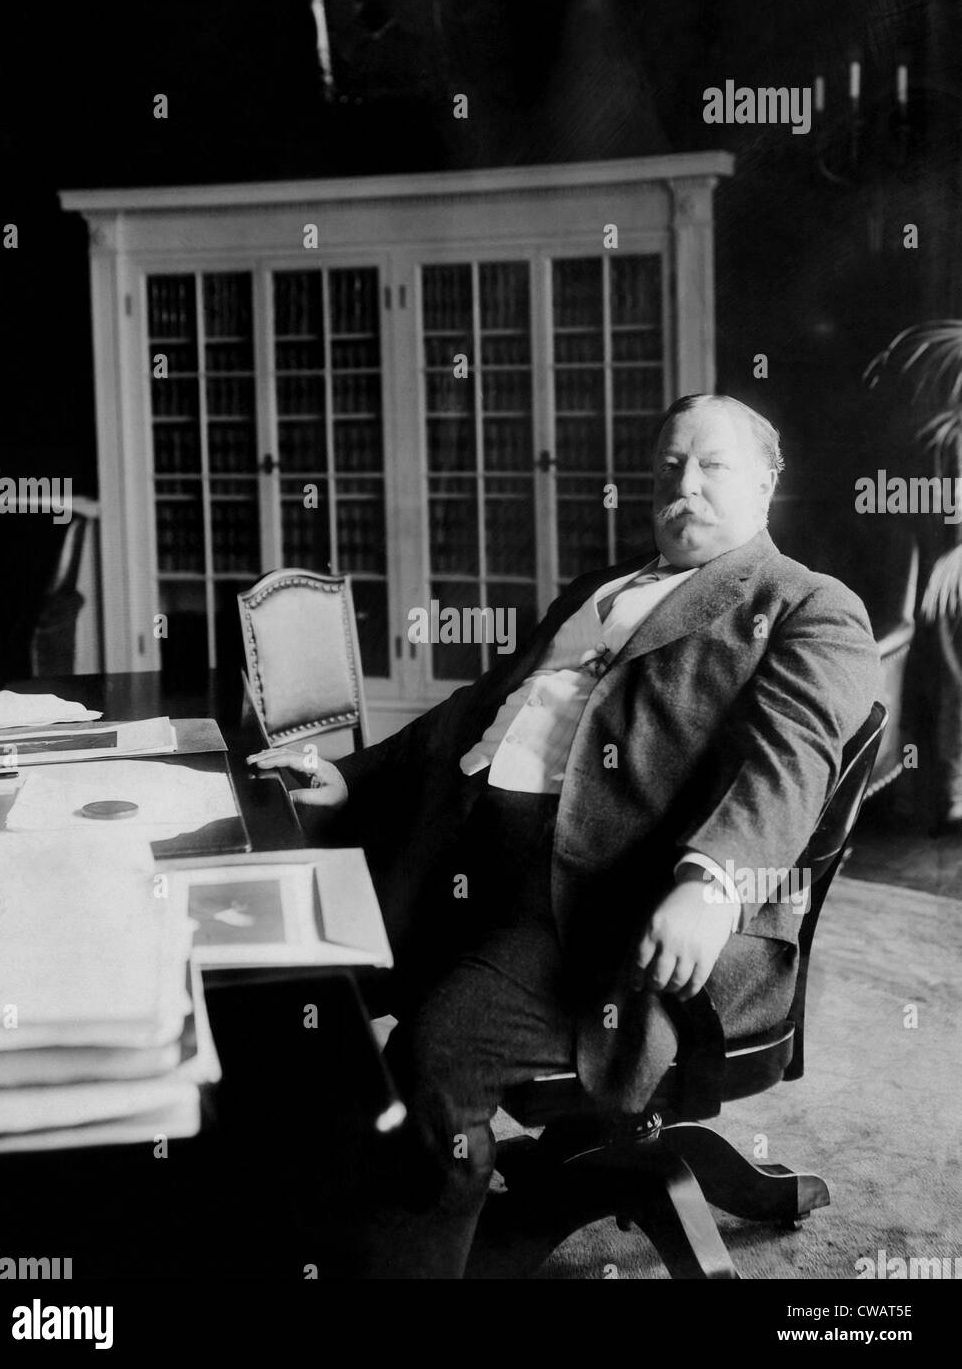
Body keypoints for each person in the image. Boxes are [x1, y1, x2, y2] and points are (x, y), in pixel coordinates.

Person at [253, 393, 883, 1278]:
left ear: (769, 480)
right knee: (280, 988)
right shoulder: (602, 587)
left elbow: (789, 761)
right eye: (667, 467)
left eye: (712, 466)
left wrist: (713, 882)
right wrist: (351, 778)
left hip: (593, 905)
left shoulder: (807, 605)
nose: (684, 486)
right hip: (455, 855)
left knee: (431, 1063)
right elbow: (481, 708)